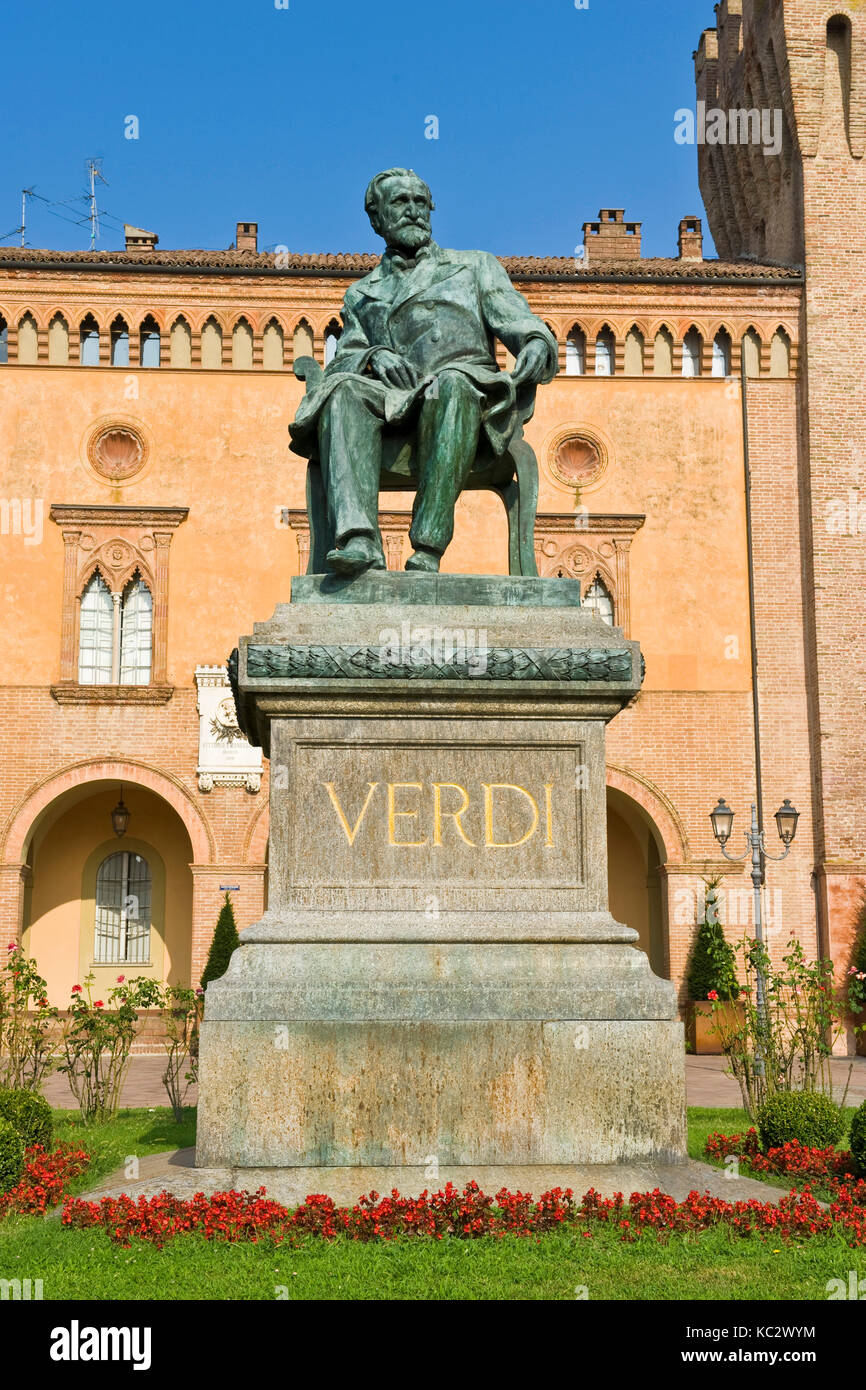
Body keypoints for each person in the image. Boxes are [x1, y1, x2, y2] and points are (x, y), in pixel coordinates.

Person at [289, 168, 558, 574]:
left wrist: (537, 343)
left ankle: (428, 546)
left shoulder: (474, 267)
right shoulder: (363, 292)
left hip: (468, 393)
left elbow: (519, 319)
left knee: (451, 385)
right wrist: (373, 355)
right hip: (397, 402)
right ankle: (360, 540)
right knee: (342, 390)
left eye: (420, 202)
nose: (413, 211)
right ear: (376, 219)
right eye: (400, 202)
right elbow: (345, 357)